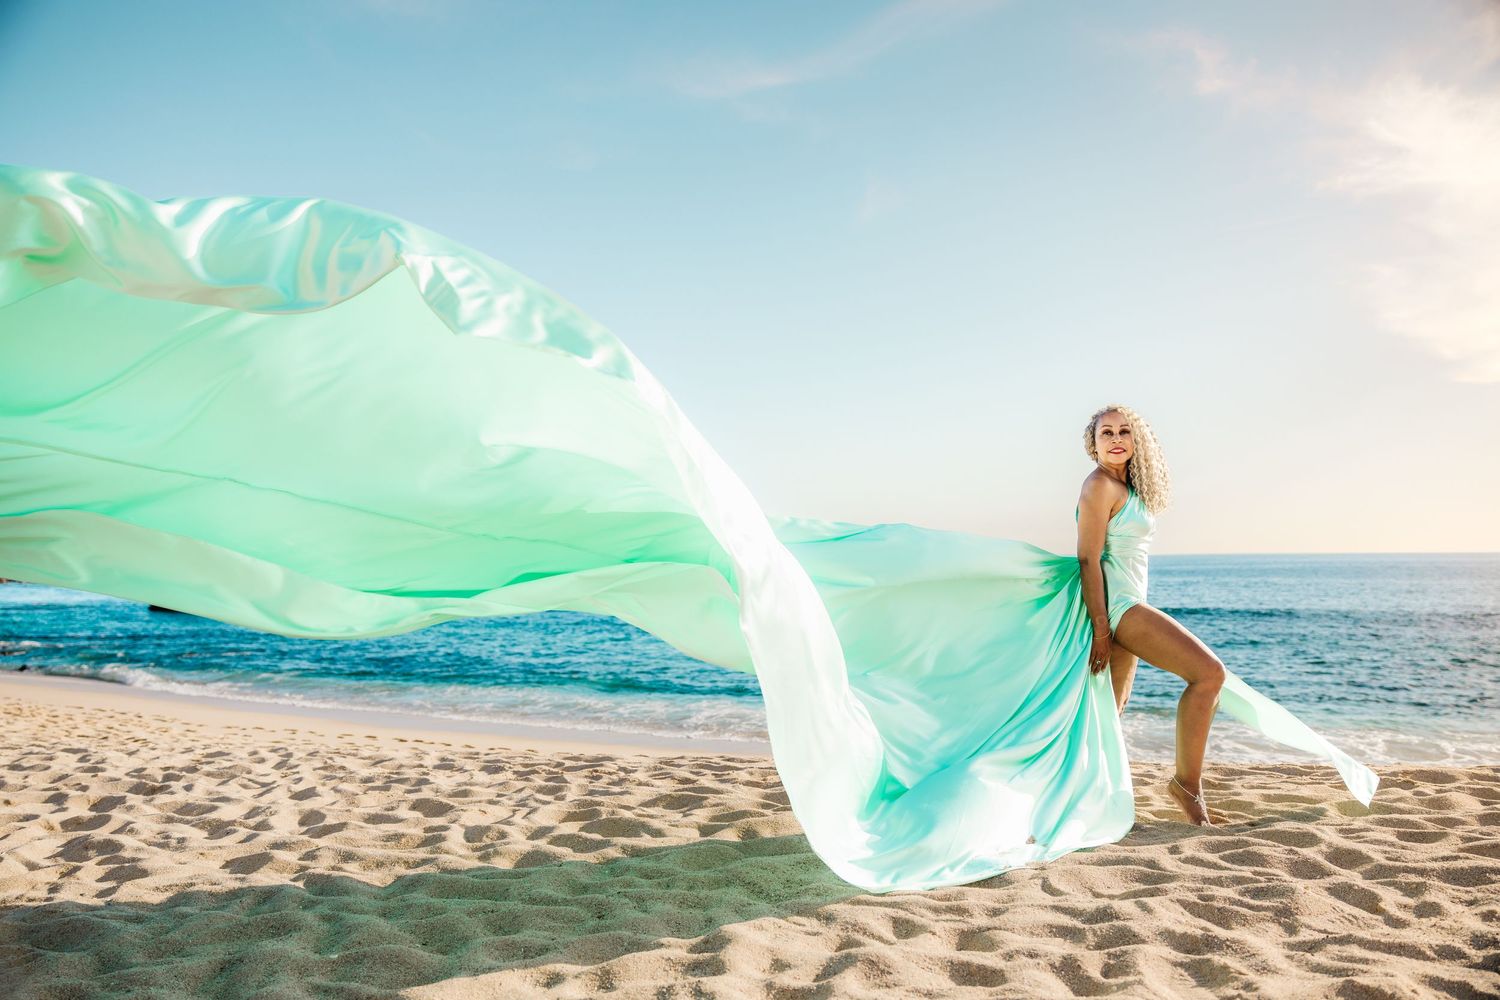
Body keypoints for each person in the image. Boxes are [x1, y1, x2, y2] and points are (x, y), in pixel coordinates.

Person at [1074, 402, 1221, 827]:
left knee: (1109, 712)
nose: (1116, 439)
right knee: (1209, 674)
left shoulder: (1130, 489)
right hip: (1119, 607)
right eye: (1107, 433)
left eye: (1124, 431)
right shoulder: (1099, 486)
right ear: (1093, 444)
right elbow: (1087, 558)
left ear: (1137, 440)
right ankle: (1186, 787)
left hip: (1125, 604)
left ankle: (1084, 800)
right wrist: (1102, 627)